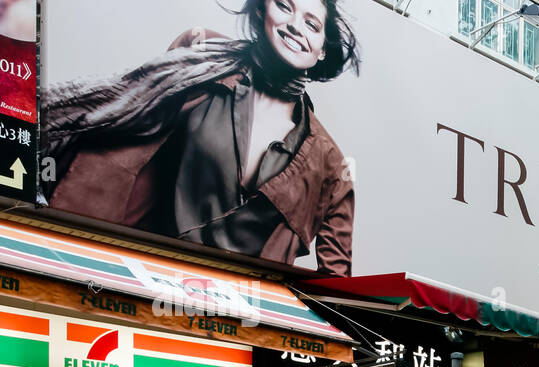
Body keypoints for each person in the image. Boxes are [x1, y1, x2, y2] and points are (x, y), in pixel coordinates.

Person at [44, 0, 361, 275]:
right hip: (136, 275)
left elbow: (336, 285)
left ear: (322, 50)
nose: (294, 26)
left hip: (232, 319)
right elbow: (118, 109)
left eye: (311, 24)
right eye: (283, 6)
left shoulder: (331, 164)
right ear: (262, 8)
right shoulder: (202, 60)